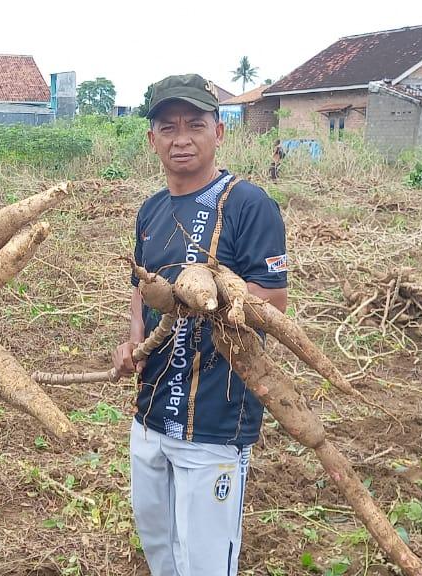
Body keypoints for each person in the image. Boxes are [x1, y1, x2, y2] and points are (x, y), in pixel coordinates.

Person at [111, 74, 289, 576]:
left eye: (194, 124)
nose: (181, 137)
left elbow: (274, 298)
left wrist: (202, 301)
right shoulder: (150, 210)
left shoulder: (248, 204)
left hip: (215, 417)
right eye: (168, 127)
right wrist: (133, 341)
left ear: (219, 132)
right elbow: (139, 290)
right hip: (149, 415)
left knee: (206, 564)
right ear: (152, 139)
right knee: (160, 551)